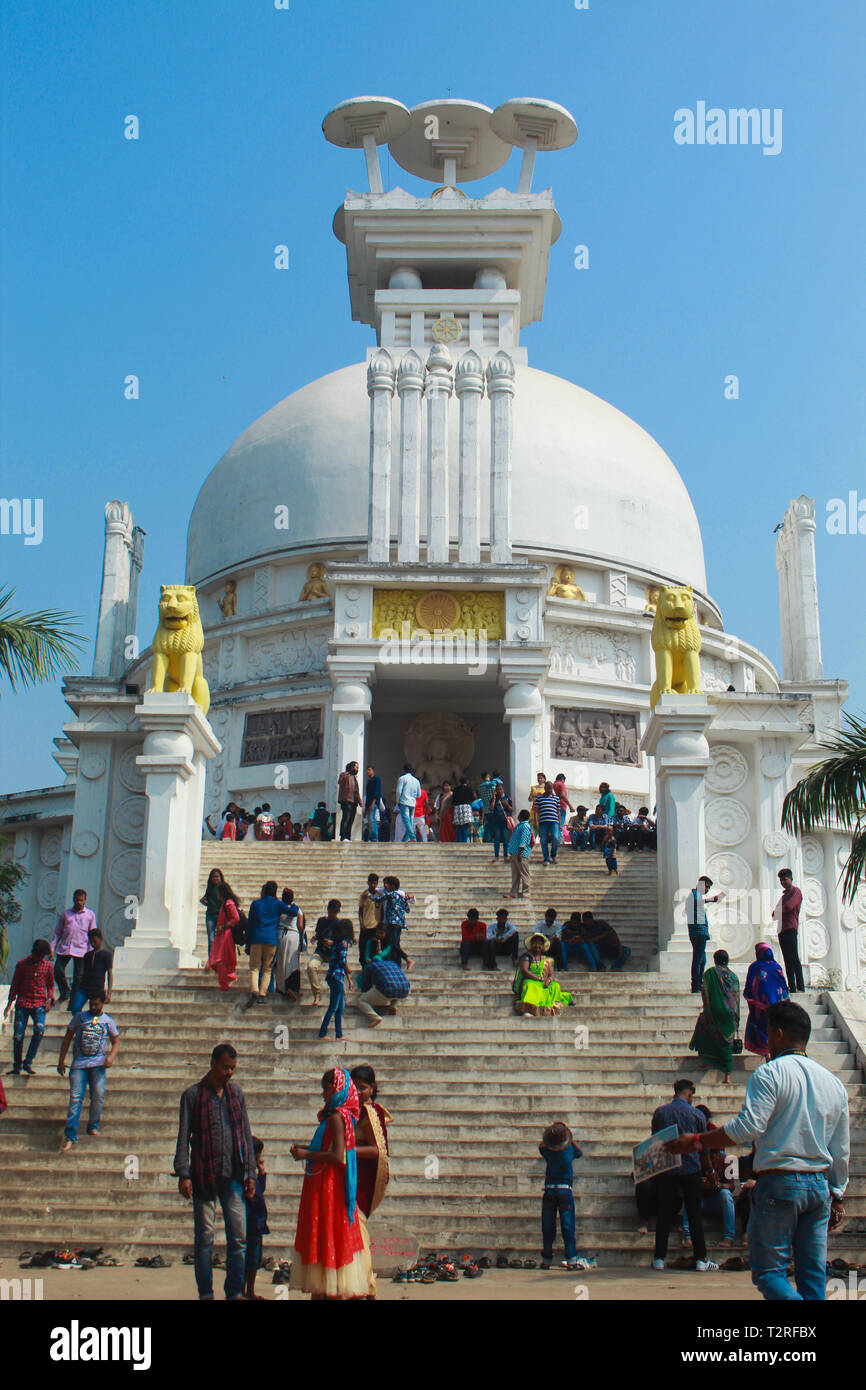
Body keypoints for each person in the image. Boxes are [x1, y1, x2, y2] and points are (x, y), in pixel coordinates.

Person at [665, 1000, 850, 1301]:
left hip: (780, 1182)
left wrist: (697, 1140)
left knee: (768, 1273)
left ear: (777, 1034)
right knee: (812, 1276)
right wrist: (838, 1194)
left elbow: (747, 1129)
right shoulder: (833, 1083)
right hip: (818, 1187)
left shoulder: (770, 1074)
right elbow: (841, 1149)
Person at [174, 1043, 257, 1301]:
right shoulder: (192, 1095)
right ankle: (206, 1294)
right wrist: (183, 1174)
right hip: (203, 1174)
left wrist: (251, 1174)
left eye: (232, 1068)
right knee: (205, 1238)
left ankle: (233, 1292)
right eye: (225, 1067)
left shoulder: (236, 1095)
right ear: (213, 1064)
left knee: (239, 1237)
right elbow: (183, 1137)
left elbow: (245, 1134)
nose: (229, 1073)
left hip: (233, 1174)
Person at [289, 1067, 369, 1299]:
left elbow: (337, 1155)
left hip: (328, 1186)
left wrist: (306, 1155)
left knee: (326, 1235)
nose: (324, 1095)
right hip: (325, 1184)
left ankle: (327, 1290)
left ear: (337, 1090)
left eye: (326, 1089)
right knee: (328, 1236)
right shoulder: (340, 1116)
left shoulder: (336, 1117)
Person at [650, 1079, 716, 1272]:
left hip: (668, 1169)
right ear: (689, 1094)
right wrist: (710, 1171)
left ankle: (659, 1258)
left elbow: (656, 1142)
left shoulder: (660, 1113)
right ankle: (701, 1259)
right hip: (691, 1169)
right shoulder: (697, 1114)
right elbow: (702, 1147)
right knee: (694, 1213)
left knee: (665, 1212)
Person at [57, 992, 120, 1153]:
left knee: (98, 1095)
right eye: (91, 1004)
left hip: (98, 1065)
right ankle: (70, 1135)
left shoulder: (108, 1021)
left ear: (102, 1004)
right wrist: (61, 1060)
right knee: (76, 1098)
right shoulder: (80, 1018)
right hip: (79, 1064)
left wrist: (111, 1057)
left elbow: (116, 1041)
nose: (93, 1007)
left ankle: (93, 1125)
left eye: (96, 1005)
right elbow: (68, 1037)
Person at [351, 1065, 392, 1298]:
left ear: (372, 1088)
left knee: (359, 1232)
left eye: (363, 1088)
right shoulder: (345, 1110)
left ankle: (367, 1286)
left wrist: (347, 1151)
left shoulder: (373, 1113)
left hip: (362, 1180)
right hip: (343, 1177)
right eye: (354, 1087)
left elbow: (379, 1151)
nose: (357, 1092)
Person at [681, 1106, 737, 1250]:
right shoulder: (696, 1160)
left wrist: (720, 1185)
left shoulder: (727, 1159)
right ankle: (688, 1236)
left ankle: (729, 1236)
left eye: (713, 1154)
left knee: (726, 1194)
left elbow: (732, 1186)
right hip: (701, 1199)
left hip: (717, 1199)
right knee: (691, 1194)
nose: (710, 1157)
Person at [4, 938, 54, 1075]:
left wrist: (49, 998)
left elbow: (50, 984)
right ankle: (17, 1065)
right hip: (23, 1003)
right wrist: (9, 1003)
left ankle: (28, 1061)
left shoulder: (47, 966)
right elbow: (15, 984)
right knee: (18, 1035)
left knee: (39, 1030)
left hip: (38, 1003)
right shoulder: (22, 965)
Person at [538, 1121, 585, 1270]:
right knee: (567, 1225)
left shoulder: (548, 1151)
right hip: (565, 1190)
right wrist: (570, 1140)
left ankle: (546, 1259)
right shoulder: (570, 1150)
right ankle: (571, 1260)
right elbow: (580, 1152)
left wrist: (548, 1135)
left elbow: (541, 1146)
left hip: (550, 1190)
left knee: (548, 1226)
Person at [689, 948, 740, 1081]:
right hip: (730, 1013)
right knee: (727, 1042)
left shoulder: (710, 972)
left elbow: (705, 990)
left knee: (704, 1029)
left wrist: (707, 1007)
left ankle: (706, 1059)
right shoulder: (733, 976)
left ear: (715, 960)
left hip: (714, 1010)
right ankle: (727, 1076)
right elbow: (736, 997)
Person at [246, 881, 294, 1004]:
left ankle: (254, 990)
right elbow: (293, 912)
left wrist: (248, 942)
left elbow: (250, 924)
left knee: (254, 967)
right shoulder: (278, 904)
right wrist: (293, 904)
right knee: (267, 969)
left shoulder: (256, 904)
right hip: (271, 939)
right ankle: (262, 994)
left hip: (256, 938)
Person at [51, 889, 97, 1012]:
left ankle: (72, 1002)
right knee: (57, 970)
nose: (79, 902)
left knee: (78, 977)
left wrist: (91, 952)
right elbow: (57, 933)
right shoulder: (66, 914)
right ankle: (65, 990)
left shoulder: (90, 915)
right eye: (77, 900)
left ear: (85, 900)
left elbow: (92, 934)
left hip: (81, 949)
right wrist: (52, 948)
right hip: (65, 947)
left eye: (81, 900)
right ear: (73, 899)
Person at [744, 943, 789, 1058]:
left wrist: (750, 998)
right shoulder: (777, 966)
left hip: (760, 1007)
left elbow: (750, 985)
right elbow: (783, 986)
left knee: (762, 1029)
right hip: (778, 1006)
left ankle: (767, 1054)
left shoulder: (755, 966)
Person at [513, 934, 575, 1017]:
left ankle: (547, 1008)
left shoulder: (547, 960)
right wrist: (538, 978)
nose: (537, 946)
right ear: (532, 945)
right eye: (535, 943)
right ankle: (529, 1009)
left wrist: (548, 980)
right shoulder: (526, 957)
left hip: (543, 983)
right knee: (531, 985)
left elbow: (551, 975)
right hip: (530, 980)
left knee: (555, 985)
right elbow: (525, 971)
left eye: (540, 944)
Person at [684, 874, 725, 994]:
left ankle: (698, 983)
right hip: (698, 931)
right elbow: (699, 903)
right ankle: (696, 985)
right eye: (706, 887)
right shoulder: (695, 895)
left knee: (702, 959)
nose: (707, 890)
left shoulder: (695, 896)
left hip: (698, 931)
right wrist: (712, 899)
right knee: (698, 959)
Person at [244, 1137, 269, 1299]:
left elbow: (261, 1189)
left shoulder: (253, 1175)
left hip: (257, 1222)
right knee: (247, 1259)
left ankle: (250, 1291)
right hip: (250, 1222)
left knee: (254, 1260)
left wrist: (262, 1173)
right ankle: (242, 1290)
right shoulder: (245, 1176)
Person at [319, 921, 353, 1039]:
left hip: (335, 977)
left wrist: (348, 979)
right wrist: (348, 970)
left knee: (340, 1008)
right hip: (337, 977)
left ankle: (339, 1034)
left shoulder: (337, 943)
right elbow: (343, 960)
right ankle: (322, 1033)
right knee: (334, 1007)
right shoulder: (343, 943)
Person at [773, 868, 805, 994]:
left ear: (791, 879)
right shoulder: (784, 896)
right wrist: (780, 910)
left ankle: (800, 986)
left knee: (794, 957)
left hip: (791, 927)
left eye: (785, 880)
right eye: (781, 880)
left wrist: (779, 910)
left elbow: (789, 907)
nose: (783, 882)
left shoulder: (796, 891)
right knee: (787, 959)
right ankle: (791, 986)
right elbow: (774, 914)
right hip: (782, 929)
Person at [357, 954, 411, 1027]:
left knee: (361, 1001)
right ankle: (393, 1006)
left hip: (387, 990)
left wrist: (365, 992)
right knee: (398, 987)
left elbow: (366, 985)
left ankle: (375, 1018)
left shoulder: (371, 966)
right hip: (405, 990)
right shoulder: (393, 963)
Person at [206, 882, 241, 992]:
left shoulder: (228, 903)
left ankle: (226, 981)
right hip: (221, 935)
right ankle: (226, 979)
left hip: (225, 936)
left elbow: (236, 918)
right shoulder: (225, 903)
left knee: (220, 959)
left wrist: (225, 926)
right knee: (220, 959)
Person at [309, 899, 343, 1006]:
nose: (332, 914)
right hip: (321, 951)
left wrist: (332, 943)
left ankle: (341, 996)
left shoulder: (339, 924)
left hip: (333, 953)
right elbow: (319, 934)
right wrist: (315, 938)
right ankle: (317, 995)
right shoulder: (321, 921)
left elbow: (342, 941)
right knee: (311, 967)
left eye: (335, 912)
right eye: (331, 912)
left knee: (338, 974)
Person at [274, 889, 304, 1000]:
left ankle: (281, 987)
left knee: (281, 961)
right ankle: (292, 987)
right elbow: (300, 926)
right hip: (293, 935)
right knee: (292, 962)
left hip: (281, 934)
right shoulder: (297, 909)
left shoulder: (280, 908)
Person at [379, 876, 414, 951]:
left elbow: (378, 899)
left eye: (387, 884)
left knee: (391, 943)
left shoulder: (391, 894)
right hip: (398, 923)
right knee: (395, 942)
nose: (385, 885)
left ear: (393, 886)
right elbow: (407, 909)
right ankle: (396, 959)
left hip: (392, 922)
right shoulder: (401, 895)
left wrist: (371, 897)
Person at [534, 781, 562, 865]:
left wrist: (560, 823)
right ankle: (546, 858)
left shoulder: (556, 798)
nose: (549, 789)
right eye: (547, 788)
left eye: (550, 788)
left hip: (554, 822)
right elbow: (536, 811)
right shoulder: (539, 798)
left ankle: (553, 855)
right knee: (543, 840)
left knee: (556, 838)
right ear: (545, 788)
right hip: (543, 822)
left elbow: (558, 812)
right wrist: (536, 822)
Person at [358, 873, 383, 966]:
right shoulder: (364, 895)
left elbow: (382, 909)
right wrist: (361, 923)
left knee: (374, 950)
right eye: (371, 883)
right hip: (366, 926)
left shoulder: (379, 895)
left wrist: (380, 923)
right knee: (363, 949)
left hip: (375, 926)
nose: (373, 885)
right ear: (368, 883)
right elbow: (360, 911)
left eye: (375, 883)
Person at [507, 809, 533, 898]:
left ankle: (526, 892)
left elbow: (524, 840)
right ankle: (514, 892)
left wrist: (520, 853)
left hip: (520, 854)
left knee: (524, 873)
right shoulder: (520, 826)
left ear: (521, 816)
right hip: (514, 853)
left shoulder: (525, 826)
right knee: (515, 874)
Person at [200, 868, 226, 952]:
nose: (215, 878)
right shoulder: (210, 888)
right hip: (210, 915)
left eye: (217, 876)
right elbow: (207, 899)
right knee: (211, 940)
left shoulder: (224, 888)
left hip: (221, 916)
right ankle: (211, 960)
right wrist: (204, 901)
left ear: (220, 878)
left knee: (221, 939)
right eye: (213, 877)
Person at [395, 764, 422, 842]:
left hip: (404, 801)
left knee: (406, 820)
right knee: (410, 821)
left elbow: (399, 791)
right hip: (413, 803)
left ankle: (412, 837)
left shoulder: (402, 778)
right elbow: (419, 794)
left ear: (404, 770)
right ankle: (405, 839)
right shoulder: (416, 780)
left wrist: (398, 801)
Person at [337, 762, 362, 842]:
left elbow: (356, 791)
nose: (357, 769)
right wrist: (347, 774)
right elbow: (340, 781)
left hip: (354, 802)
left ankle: (348, 836)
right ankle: (343, 836)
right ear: (352, 767)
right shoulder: (344, 775)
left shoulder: (354, 778)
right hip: (346, 801)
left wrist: (360, 801)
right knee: (346, 818)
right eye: (356, 767)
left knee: (351, 819)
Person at [488, 783, 514, 861]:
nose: (499, 791)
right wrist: (494, 798)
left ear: (503, 790)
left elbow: (511, 809)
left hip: (505, 821)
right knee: (497, 839)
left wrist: (506, 804)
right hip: (496, 821)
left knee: (506, 839)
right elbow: (491, 808)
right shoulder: (493, 799)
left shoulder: (507, 798)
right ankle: (496, 856)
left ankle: (505, 855)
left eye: (500, 789)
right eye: (497, 789)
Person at [450, 777, 476, 843]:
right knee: (465, 826)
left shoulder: (455, 789)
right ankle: (464, 841)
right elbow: (472, 799)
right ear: (466, 782)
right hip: (466, 807)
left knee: (459, 826)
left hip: (457, 807)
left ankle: (459, 840)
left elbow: (453, 800)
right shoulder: (469, 789)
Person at [363, 766, 382, 842]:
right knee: (369, 821)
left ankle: (374, 837)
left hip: (373, 803)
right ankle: (371, 837)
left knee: (372, 819)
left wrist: (373, 803)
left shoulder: (377, 779)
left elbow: (377, 792)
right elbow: (367, 795)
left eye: (369, 770)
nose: (368, 771)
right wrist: (365, 809)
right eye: (367, 770)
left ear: (373, 771)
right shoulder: (369, 781)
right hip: (368, 803)